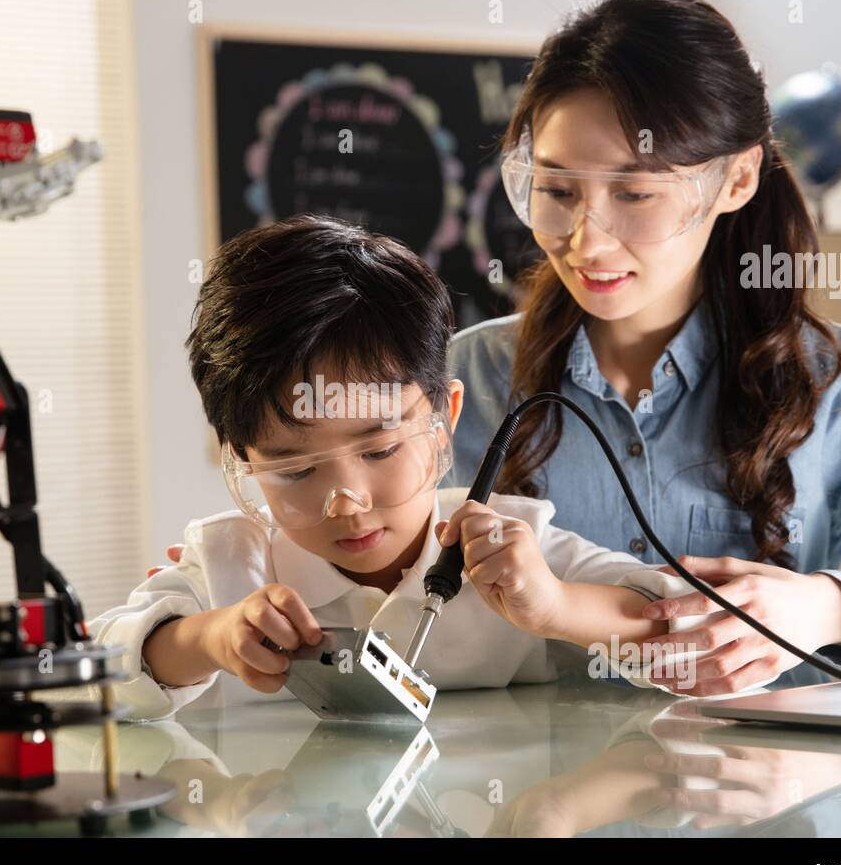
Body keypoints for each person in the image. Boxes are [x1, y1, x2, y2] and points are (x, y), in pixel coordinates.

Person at [450, 0, 841, 696]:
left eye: (636, 194)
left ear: (736, 178)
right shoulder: (465, 376)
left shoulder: (839, 378)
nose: (587, 240)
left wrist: (826, 606)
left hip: (769, 795)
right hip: (533, 800)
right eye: (557, 192)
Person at [92, 215, 743, 720]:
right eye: (294, 471)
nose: (345, 501)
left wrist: (556, 606)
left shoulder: (513, 550)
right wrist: (202, 641)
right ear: (242, 460)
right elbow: (89, 672)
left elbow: (688, 635)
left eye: (378, 451)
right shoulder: (230, 566)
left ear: (446, 417)